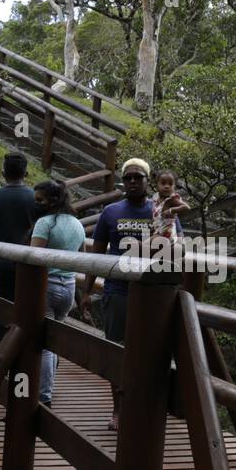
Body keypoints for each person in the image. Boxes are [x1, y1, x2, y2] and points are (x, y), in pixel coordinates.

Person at [79, 157, 182, 430]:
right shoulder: (111, 212)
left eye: (138, 177)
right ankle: (119, 410)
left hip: (154, 294)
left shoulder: (162, 208)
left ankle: (148, 408)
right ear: (123, 182)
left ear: (149, 181)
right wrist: (87, 292)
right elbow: (96, 255)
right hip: (118, 291)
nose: (133, 182)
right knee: (117, 352)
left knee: (153, 353)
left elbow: (176, 247)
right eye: (128, 178)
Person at [30, 180, 86, 408]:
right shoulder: (77, 224)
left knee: (41, 343)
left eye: (39, 200)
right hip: (69, 286)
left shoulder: (45, 223)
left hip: (47, 284)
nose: (36, 204)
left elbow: (33, 256)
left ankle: (42, 395)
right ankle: (47, 389)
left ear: (53, 200)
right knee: (52, 341)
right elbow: (82, 256)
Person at [0, 152, 35, 347]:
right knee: (18, 310)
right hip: (27, 265)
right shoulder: (36, 198)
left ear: (2, 172)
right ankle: (9, 352)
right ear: (25, 173)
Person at [152, 169, 190, 242]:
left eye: (170, 184)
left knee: (144, 245)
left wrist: (171, 210)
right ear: (157, 184)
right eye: (163, 183)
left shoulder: (172, 199)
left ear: (174, 186)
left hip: (168, 235)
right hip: (158, 232)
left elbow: (187, 207)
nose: (167, 186)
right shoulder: (156, 199)